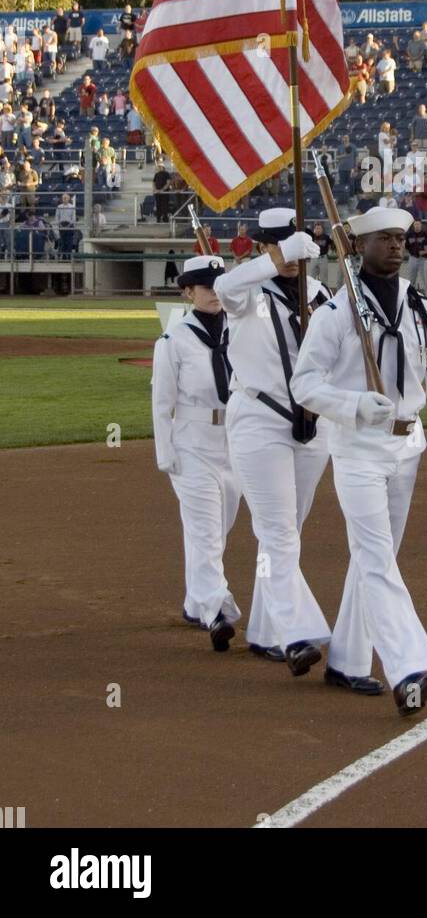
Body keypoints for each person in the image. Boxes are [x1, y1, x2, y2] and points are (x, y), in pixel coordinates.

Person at [292, 207, 427, 715]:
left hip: (406, 448)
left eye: (400, 237)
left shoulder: (424, 313)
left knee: (375, 559)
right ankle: (410, 667)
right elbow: (303, 384)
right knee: (376, 558)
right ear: (358, 246)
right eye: (384, 238)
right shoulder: (334, 315)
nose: (395, 245)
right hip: (357, 448)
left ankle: (346, 660)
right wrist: (351, 406)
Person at [213, 209, 331, 674]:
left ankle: (264, 629)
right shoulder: (247, 292)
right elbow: (223, 288)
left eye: (295, 244)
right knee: (278, 531)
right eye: (278, 245)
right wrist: (279, 256)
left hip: (310, 422)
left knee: (286, 534)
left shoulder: (321, 294)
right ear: (263, 246)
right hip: (260, 417)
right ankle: (295, 632)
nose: (289, 255)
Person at [151, 256, 242, 647]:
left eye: (219, 286)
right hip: (192, 442)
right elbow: (160, 401)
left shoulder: (239, 332)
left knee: (218, 529)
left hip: (235, 442)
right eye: (206, 287)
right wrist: (165, 451)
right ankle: (215, 610)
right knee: (205, 530)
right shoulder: (173, 341)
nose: (214, 294)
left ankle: (194, 601)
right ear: (188, 292)